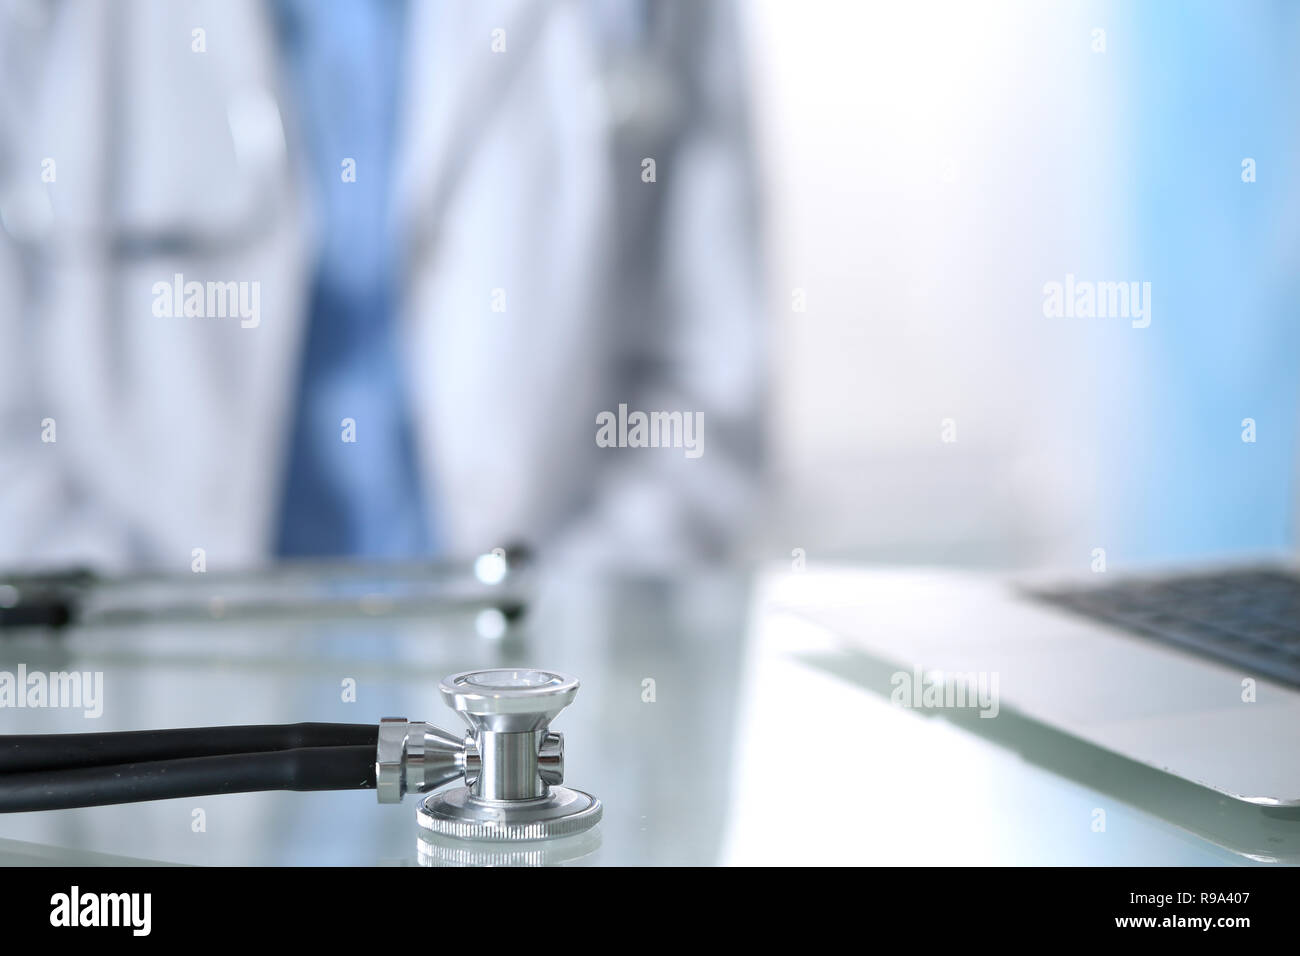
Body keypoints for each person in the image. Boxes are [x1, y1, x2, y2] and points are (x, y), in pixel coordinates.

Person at [0, 0, 763, 572]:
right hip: (151, 683)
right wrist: (137, 665)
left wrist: (554, 653)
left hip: (539, 673)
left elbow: (707, 381)